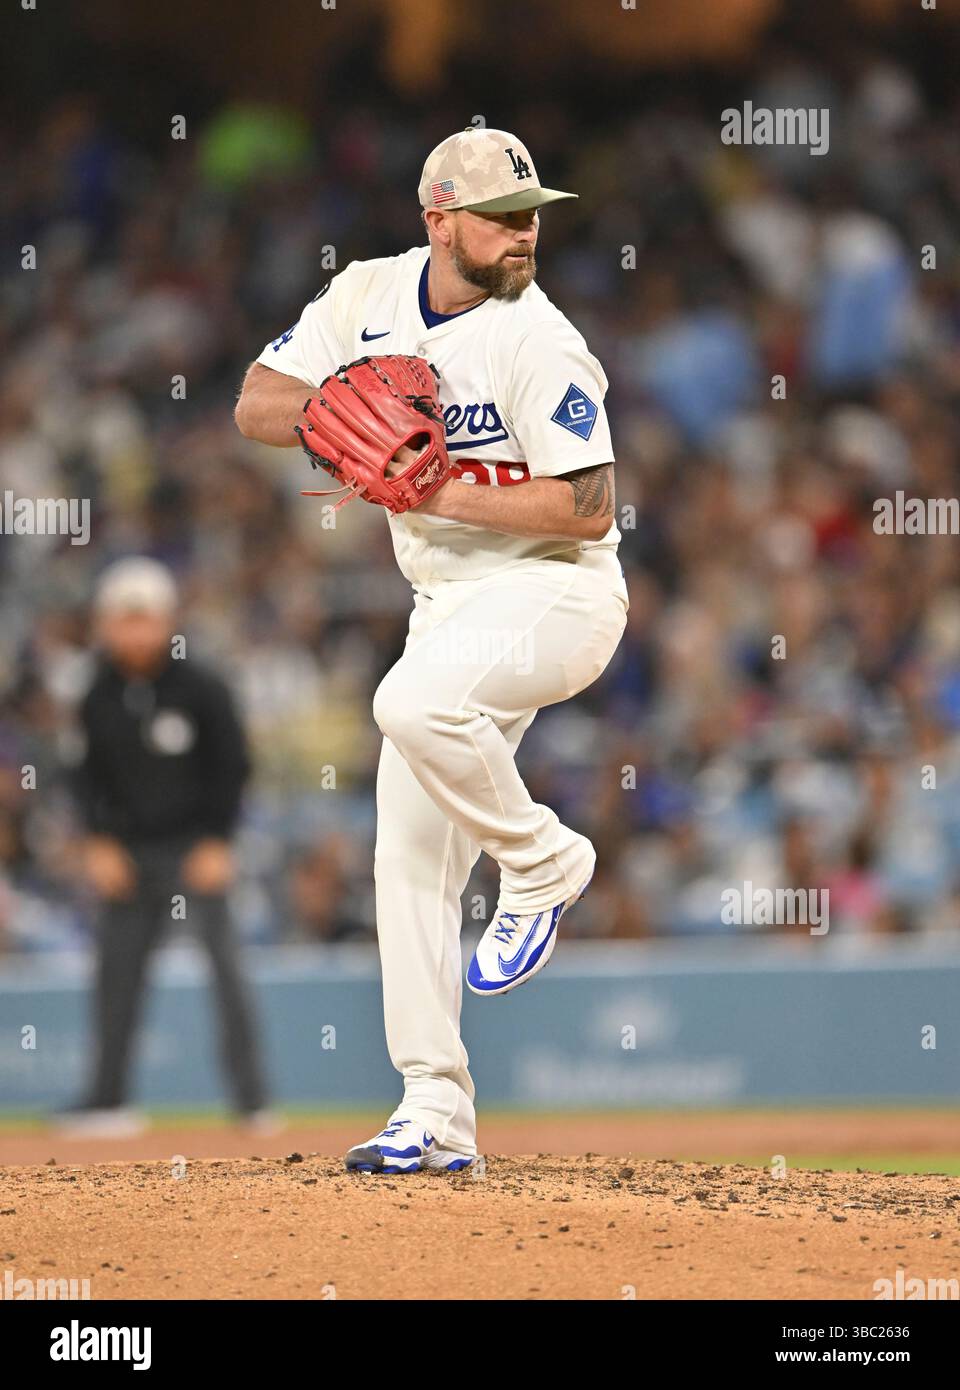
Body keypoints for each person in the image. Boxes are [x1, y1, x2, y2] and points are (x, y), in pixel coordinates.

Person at [235, 127, 628, 1173]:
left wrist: (432, 483)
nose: (524, 230)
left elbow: (591, 508)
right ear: (438, 219)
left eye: (533, 211)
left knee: (409, 707)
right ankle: (433, 1109)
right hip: (445, 603)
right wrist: (335, 414)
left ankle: (544, 862)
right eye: (502, 214)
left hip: (555, 591)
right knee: (406, 857)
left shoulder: (538, 338)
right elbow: (255, 403)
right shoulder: (366, 296)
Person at [60, 557, 271, 1136]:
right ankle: (107, 1101)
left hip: (194, 849)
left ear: (167, 621)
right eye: (123, 621)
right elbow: (81, 775)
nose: (134, 633)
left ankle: (253, 1103)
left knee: (227, 971)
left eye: (144, 619)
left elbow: (233, 766)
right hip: (126, 854)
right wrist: (97, 842)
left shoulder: (201, 685)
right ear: (106, 624)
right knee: (115, 975)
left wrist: (218, 841)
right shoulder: (94, 693)